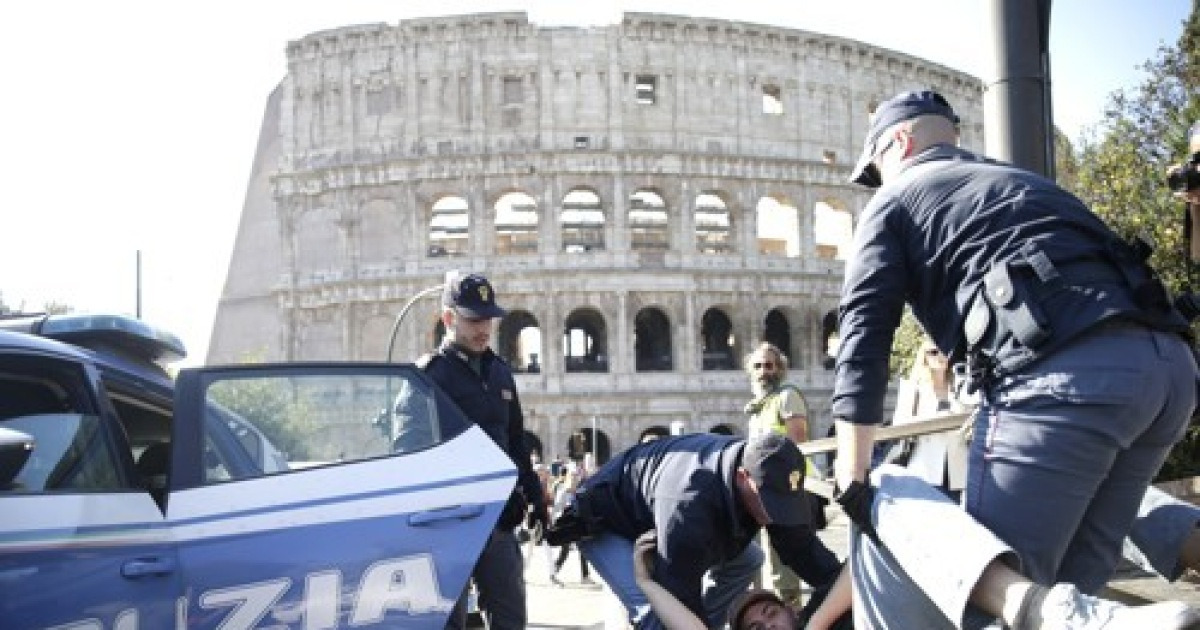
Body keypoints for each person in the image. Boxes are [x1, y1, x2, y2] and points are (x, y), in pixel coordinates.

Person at [832, 89, 1199, 602]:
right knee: (1075, 598)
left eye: (875, 169)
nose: (876, 184)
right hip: (1170, 372)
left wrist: (852, 475)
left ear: (899, 140)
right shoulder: (1021, 181)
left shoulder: (894, 200)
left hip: (1064, 380)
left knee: (993, 591)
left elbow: (863, 334)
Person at [632, 466, 1200, 630]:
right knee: (878, 487)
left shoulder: (817, 614)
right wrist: (647, 584)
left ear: (787, 605)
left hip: (935, 608)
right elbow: (687, 626)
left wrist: (816, 620)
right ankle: (1045, 610)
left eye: (765, 610)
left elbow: (859, 572)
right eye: (751, 629)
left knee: (1083, 483)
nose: (763, 622)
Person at [548, 431, 840, 629]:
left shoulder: (768, 474)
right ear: (742, 478)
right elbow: (675, 596)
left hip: (664, 512)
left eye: (783, 505)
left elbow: (810, 557)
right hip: (606, 521)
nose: (773, 515)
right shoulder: (689, 507)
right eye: (769, 504)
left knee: (750, 560)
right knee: (657, 613)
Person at [413, 270, 548, 630]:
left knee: (511, 617)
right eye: (473, 319)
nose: (483, 328)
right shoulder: (428, 376)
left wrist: (535, 496)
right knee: (448, 621)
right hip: (448, 523)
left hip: (498, 519)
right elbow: (409, 452)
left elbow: (515, 441)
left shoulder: (500, 372)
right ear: (448, 319)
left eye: (488, 318)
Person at [743, 342, 839, 605]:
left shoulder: (787, 396)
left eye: (769, 365)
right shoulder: (758, 405)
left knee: (786, 558)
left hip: (789, 489)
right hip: (764, 490)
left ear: (780, 369)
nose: (764, 371)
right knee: (770, 554)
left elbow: (798, 444)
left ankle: (795, 609)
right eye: (758, 366)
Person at [549, 462, 596, 587]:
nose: (576, 478)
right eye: (574, 476)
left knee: (582, 550)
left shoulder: (578, 490)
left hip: (575, 523)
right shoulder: (563, 490)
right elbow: (557, 507)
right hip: (565, 524)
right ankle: (553, 573)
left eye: (577, 476)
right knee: (564, 551)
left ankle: (585, 576)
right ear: (569, 476)